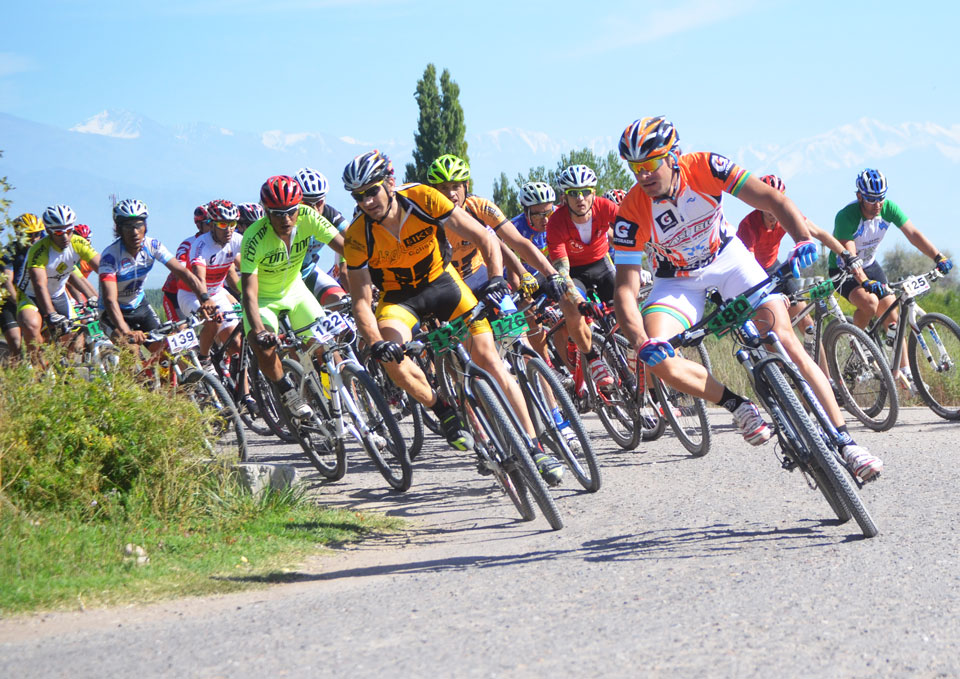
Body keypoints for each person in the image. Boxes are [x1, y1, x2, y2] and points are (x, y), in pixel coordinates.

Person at [612, 116, 882, 481]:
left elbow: (772, 198)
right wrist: (642, 341)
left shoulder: (705, 167)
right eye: (635, 168)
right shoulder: (631, 212)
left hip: (728, 259)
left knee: (784, 340)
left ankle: (846, 442)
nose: (642, 175)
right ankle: (737, 405)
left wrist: (801, 238)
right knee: (660, 356)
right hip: (676, 281)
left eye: (649, 165)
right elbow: (625, 290)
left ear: (673, 156)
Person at [341, 150, 564, 486]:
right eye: (359, 197)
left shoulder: (422, 198)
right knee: (393, 357)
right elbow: (360, 300)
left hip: (443, 283)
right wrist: (376, 343)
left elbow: (484, 237)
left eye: (372, 191)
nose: (367, 201)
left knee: (489, 358)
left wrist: (496, 279)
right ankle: (442, 408)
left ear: (389, 183)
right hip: (399, 299)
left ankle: (535, 447)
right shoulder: (358, 236)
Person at [828, 168, 953, 390]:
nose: (877, 204)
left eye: (881, 198)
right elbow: (850, 254)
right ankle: (856, 343)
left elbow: (913, 234)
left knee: (893, 320)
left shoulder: (888, 208)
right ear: (859, 196)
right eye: (871, 199)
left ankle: (905, 372)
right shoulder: (846, 216)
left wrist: (937, 256)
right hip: (844, 269)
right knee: (869, 303)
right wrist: (864, 282)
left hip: (870, 265)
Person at [240, 175, 344, 420]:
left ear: (299, 207)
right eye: (277, 213)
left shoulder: (309, 217)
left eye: (291, 211)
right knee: (262, 346)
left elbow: (345, 246)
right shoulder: (254, 238)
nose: (285, 219)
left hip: (295, 291)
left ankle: (340, 396)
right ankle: (287, 391)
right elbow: (249, 293)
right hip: (265, 299)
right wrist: (259, 330)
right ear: (265, 211)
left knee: (326, 344)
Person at [737, 174, 866, 351]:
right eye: (768, 204)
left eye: (777, 202)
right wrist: (771, 294)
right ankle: (778, 374)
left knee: (808, 325)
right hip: (755, 275)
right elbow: (748, 267)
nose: (773, 210)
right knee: (773, 332)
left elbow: (819, 233)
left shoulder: (786, 215)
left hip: (775, 267)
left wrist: (846, 255)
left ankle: (826, 378)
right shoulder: (748, 226)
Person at [425, 154, 565, 297]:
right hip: (443, 279)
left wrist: (552, 274)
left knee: (508, 312)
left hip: (476, 273)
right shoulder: (425, 216)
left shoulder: (479, 207)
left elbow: (518, 242)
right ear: (434, 190)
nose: (451, 194)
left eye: (456, 186)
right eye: (444, 187)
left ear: (466, 186)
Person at [99, 199, 217, 344]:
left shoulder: (153, 245)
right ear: (118, 229)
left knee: (165, 348)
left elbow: (183, 273)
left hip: (139, 305)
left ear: (145, 226)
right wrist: (126, 331)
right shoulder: (110, 257)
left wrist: (204, 298)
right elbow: (110, 299)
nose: (135, 232)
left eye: (139, 225)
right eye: (128, 227)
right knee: (130, 350)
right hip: (113, 312)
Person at [546, 164, 620, 388]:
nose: (581, 198)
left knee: (627, 307)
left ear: (594, 193)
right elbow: (562, 271)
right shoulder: (556, 222)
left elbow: (636, 233)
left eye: (586, 191)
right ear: (564, 197)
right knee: (571, 308)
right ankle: (593, 359)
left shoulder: (606, 207)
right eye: (573, 193)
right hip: (573, 272)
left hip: (602, 265)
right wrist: (581, 302)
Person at [17, 205, 100, 353]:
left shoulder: (78, 244)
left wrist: (97, 298)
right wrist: (51, 314)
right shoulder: (39, 250)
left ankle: (65, 370)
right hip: (32, 296)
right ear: (48, 231)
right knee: (32, 325)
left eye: (69, 231)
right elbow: (39, 285)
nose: (65, 237)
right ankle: (38, 367)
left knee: (74, 342)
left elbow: (101, 271)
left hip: (58, 294)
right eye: (59, 233)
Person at [295, 167, 349, 304]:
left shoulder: (329, 213)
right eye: (306, 204)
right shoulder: (288, 220)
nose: (314, 209)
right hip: (283, 277)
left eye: (318, 202)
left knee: (341, 303)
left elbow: (352, 239)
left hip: (308, 271)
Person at [1, 214, 46, 356]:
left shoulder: (44, 249)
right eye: (29, 235)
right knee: (16, 342)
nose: (33, 239)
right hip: (10, 301)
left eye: (37, 234)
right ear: (18, 234)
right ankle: (14, 375)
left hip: (33, 299)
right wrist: (20, 305)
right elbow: (7, 283)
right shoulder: (9, 252)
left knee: (39, 342)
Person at [161, 205, 210, 322]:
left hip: (203, 292)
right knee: (182, 330)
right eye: (209, 222)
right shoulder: (188, 244)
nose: (213, 226)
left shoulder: (218, 243)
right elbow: (180, 275)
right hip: (175, 294)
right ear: (199, 225)